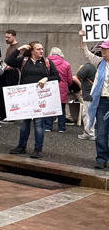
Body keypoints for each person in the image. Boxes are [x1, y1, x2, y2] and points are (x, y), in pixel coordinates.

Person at [6, 41, 60, 159]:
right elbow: (9, 61)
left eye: (42, 49)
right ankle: (21, 146)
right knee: (25, 123)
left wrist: (46, 78)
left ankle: (38, 149)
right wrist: (19, 49)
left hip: (40, 99)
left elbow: (57, 77)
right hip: (26, 98)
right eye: (38, 49)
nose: (41, 51)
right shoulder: (24, 60)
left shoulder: (46, 62)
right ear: (31, 51)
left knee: (38, 124)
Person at [78, 31, 109, 168]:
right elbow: (86, 53)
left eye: (105, 49)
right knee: (101, 131)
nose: (102, 51)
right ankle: (101, 159)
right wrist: (83, 37)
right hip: (102, 102)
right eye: (102, 48)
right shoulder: (100, 62)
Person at [45, 47, 71, 133]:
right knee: (61, 108)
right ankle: (61, 128)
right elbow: (69, 79)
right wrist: (67, 85)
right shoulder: (66, 64)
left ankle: (48, 126)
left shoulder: (46, 62)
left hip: (49, 87)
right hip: (62, 88)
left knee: (49, 108)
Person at [0, 29, 20, 122]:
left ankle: (11, 116)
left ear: (14, 36)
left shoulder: (18, 48)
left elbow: (19, 61)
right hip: (5, 72)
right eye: (6, 37)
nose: (6, 39)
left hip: (12, 73)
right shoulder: (9, 47)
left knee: (10, 94)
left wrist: (10, 66)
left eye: (8, 37)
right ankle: (3, 114)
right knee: (2, 92)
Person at [74, 58, 96, 140]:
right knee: (91, 115)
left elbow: (78, 75)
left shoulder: (88, 66)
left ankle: (89, 134)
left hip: (88, 94)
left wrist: (81, 67)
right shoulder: (97, 67)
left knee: (87, 114)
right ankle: (90, 132)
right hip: (93, 94)